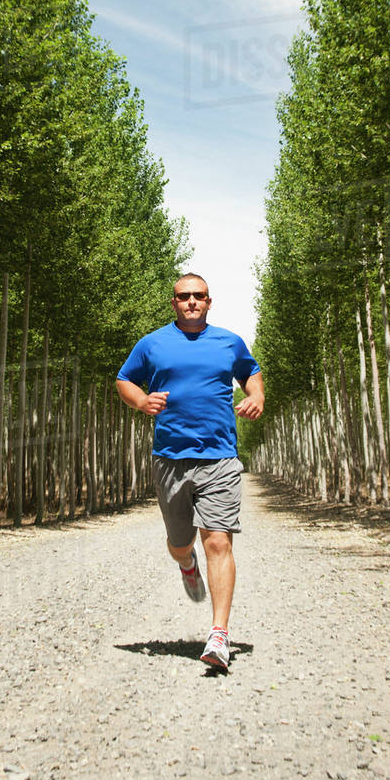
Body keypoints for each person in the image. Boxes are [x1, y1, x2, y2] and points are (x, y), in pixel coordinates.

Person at [115, 272, 264, 672]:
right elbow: (124, 379)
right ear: (174, 303)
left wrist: (257, 394)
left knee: (218, 541)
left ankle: (219, 635)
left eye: (199, 296)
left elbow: (250, 371)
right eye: (184, 297)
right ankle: (185, 563)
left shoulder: (228, 342)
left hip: (219, 457)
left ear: (210, 302)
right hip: (169, 459)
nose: (192, 302)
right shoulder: (153, 343)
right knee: (181, 543)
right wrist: (141, 401)